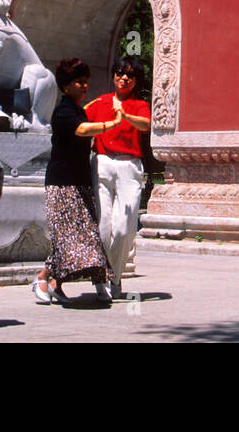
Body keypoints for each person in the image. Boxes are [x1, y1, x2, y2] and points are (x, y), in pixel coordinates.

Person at [34, 57, 119, 307]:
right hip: (62, 184)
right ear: (66, 85)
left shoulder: (77, 109)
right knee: (67, 238)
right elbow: (82, 130)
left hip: (80, 183)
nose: (84, 86)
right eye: (79, 82)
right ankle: (42, 278)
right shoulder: (63, 111)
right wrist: (110, 124)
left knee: (84, 236)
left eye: (86, 82)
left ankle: (55, 283)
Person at [85, 55, 151, 300]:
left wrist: (124, 116)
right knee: (102, 226)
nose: (124, 78)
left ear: (135, 80)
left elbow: (145, 125)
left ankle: (115, 274)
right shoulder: (100, 102)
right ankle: (101, 278)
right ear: (113, 76)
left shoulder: (138, 105)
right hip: (102, 161)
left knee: (124, 229)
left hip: (129, 166)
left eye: (130, 75)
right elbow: (78, 120)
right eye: (120, 73)